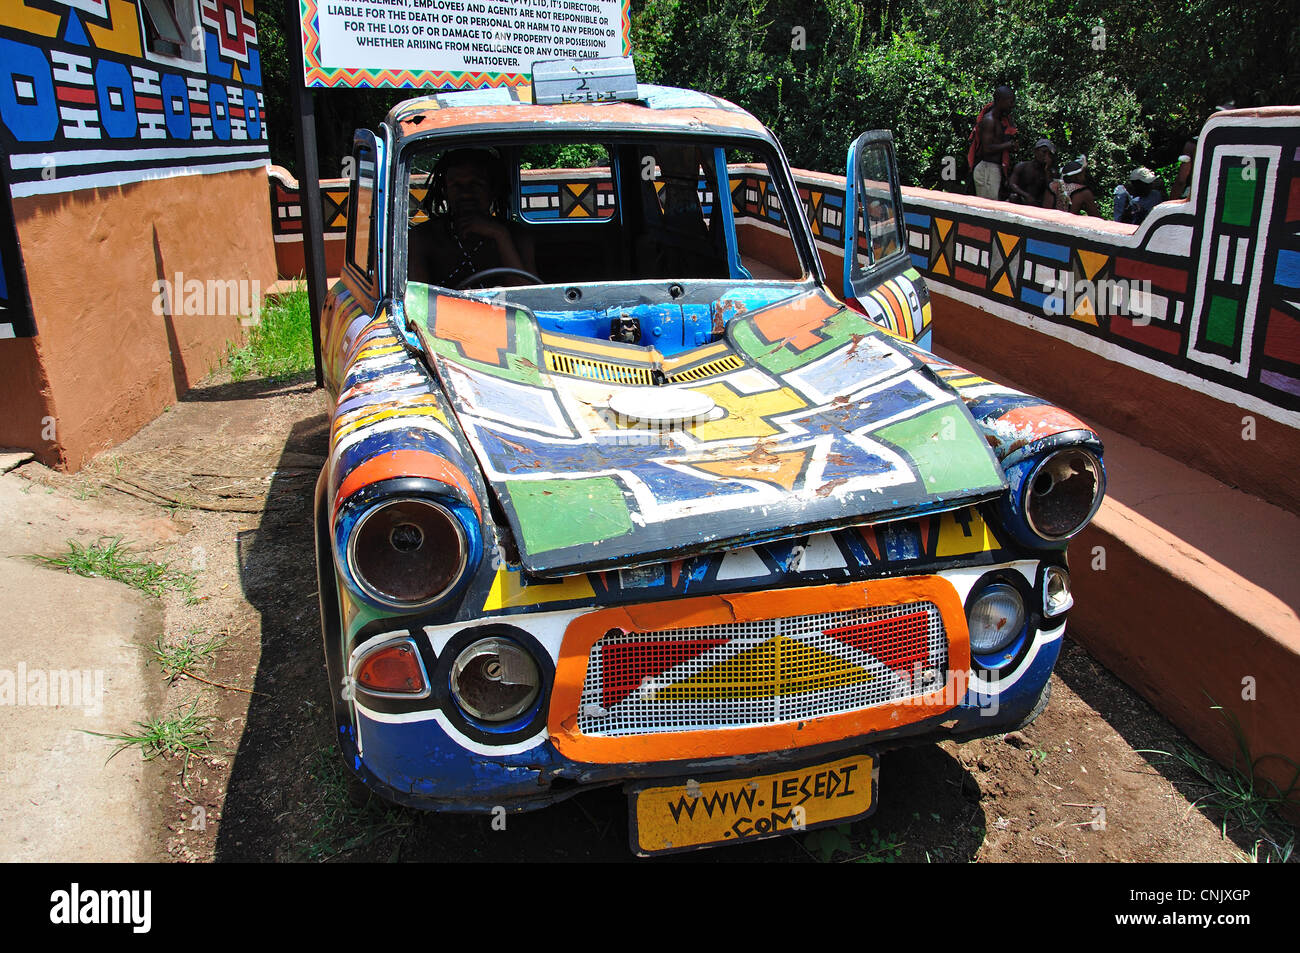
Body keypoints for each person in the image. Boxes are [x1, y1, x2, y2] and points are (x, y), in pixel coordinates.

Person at [407, 148, 538, 288]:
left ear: (492, 189)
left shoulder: (516, 234)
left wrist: (500, 236)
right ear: (445, 191)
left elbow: (529, 294)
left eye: (476, 185)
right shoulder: (421, 237)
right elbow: (419, 300)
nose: (466, 194)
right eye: (456, 185)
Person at [967, 86, 1018, 200]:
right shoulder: (989, 120)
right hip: (987, 169)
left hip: (994, 169)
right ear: (1001, 101)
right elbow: (987, 148)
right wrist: (1008, 145)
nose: (1012, 105)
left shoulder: (1001, 120)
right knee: (988, 207)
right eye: (1010, 101)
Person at [1007, 139, 1056, 205]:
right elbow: (1012, 184)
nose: (1046, 156)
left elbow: (1051, 189)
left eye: (1049, 154)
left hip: (1038, 203)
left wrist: (1047, 170)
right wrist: (1026, 195)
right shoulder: (1022, 166)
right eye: (1044, 152)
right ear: (1035, 151)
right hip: (1021, 198)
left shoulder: (1050, 171)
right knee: (1013, 197)